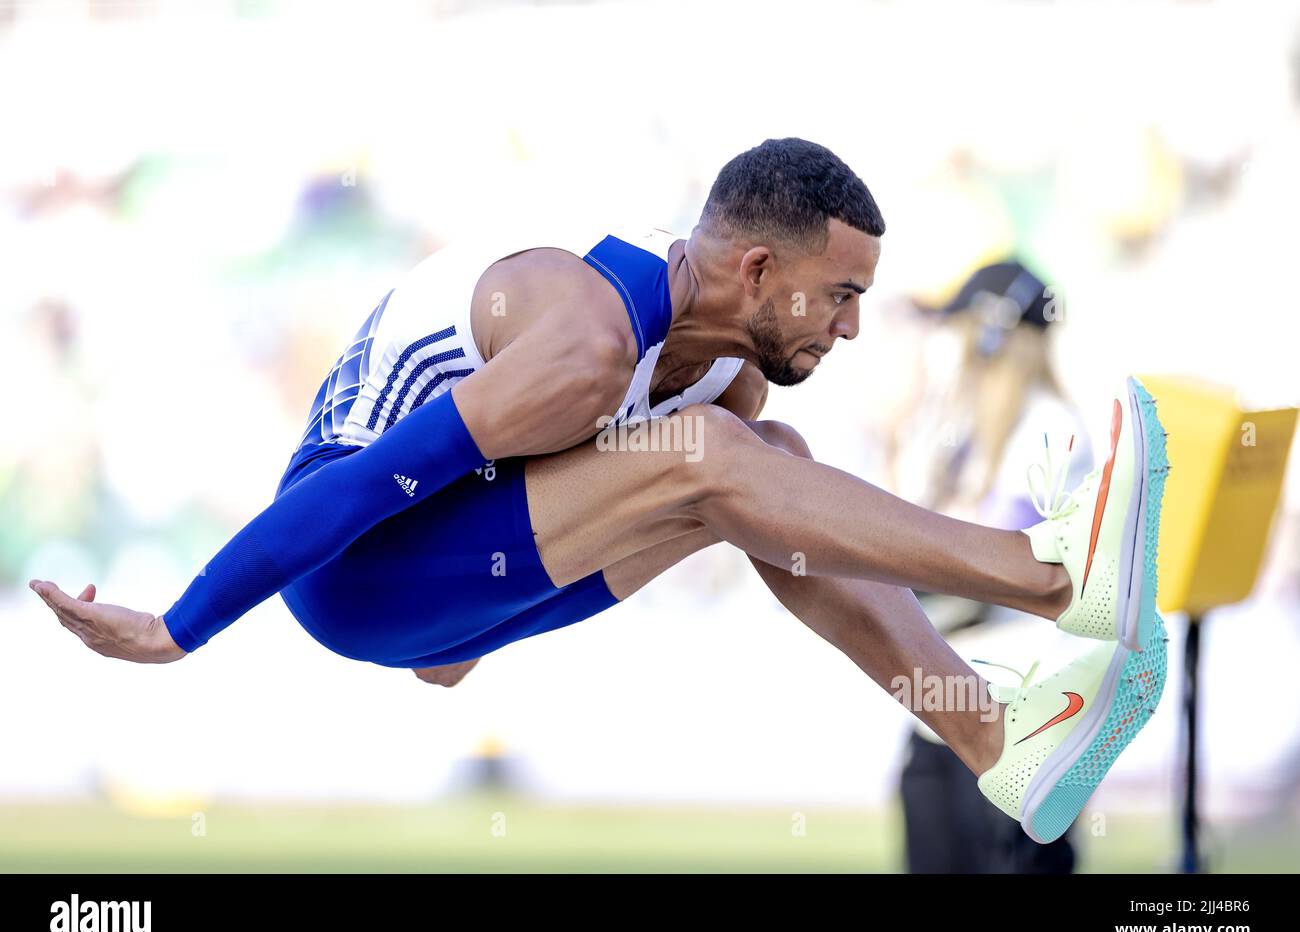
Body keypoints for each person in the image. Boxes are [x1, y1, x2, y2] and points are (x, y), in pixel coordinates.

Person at [29, 138, 1169, 844]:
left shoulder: (729, 375)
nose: (855, 326)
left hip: (448, 586)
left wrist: (473, 617)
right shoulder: (582, 330)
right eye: (839, 295)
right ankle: (1053, 576)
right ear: (758, 272)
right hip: (349, 568)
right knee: (714, 458)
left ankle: (996, 744)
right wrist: (184, 622)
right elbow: (368, 481)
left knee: (774, 464)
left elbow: (760, 519)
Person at [888, 261, 1094, 872]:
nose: (938, 344)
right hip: (952, 704)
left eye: (951, 326)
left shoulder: (1050, 430)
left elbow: (986, 560)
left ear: (991, 334)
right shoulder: (955, 432)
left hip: (1020, 717)